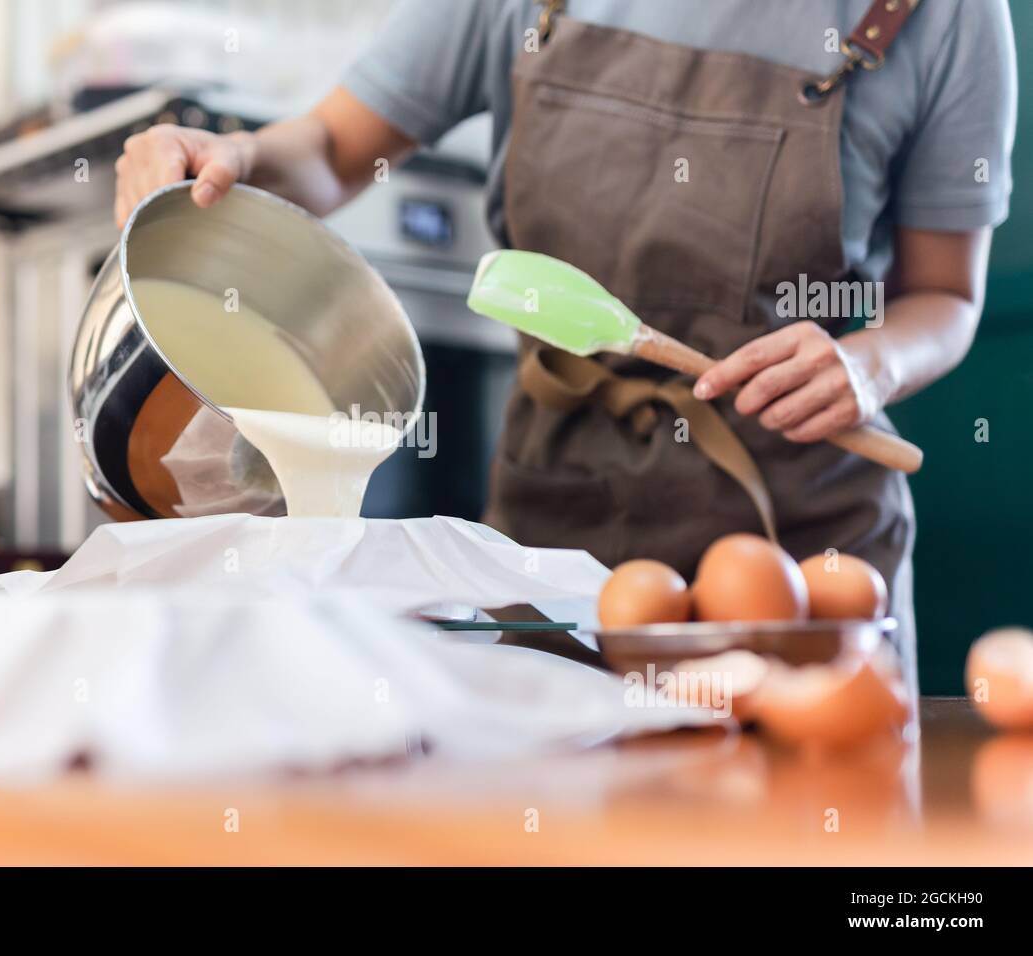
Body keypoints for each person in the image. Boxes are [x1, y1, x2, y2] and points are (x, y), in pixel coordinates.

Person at [113, 0, 1017, 687]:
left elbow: (946, 296)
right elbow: (331, 150)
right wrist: (234, 156)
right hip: (552, 537)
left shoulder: (936, 17)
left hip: (804, 558)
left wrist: (870, 364)